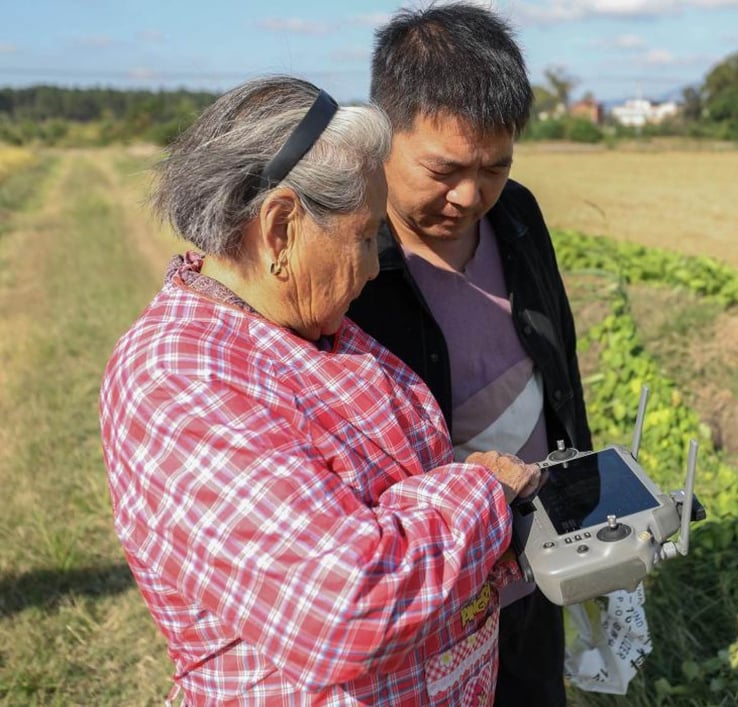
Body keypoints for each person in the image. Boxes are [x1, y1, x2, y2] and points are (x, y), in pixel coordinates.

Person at [98, 75, 543, 705]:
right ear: (280, 228)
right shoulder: (177, 381)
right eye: (364, 237)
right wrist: (484, 494)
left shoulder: (304, 324)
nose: (373, 267)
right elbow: (344, 607)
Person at [346, 4, 592, 705]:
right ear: (383, 133)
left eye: (494, 167)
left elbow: (559, 359)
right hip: (432, 582)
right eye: (444, 169)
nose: (469, 195)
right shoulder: (348, 258)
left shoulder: (518, 214)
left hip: (534, 549)